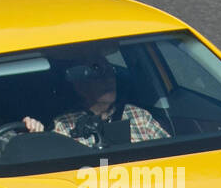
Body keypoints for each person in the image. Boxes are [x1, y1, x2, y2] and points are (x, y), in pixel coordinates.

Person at [24, 59, 168, 146]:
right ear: (80, 86)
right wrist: (37, 137)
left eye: (110, 73)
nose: (108, 80)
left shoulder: (138, 115)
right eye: (98, 76)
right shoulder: (64, 126)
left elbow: (171, 153)